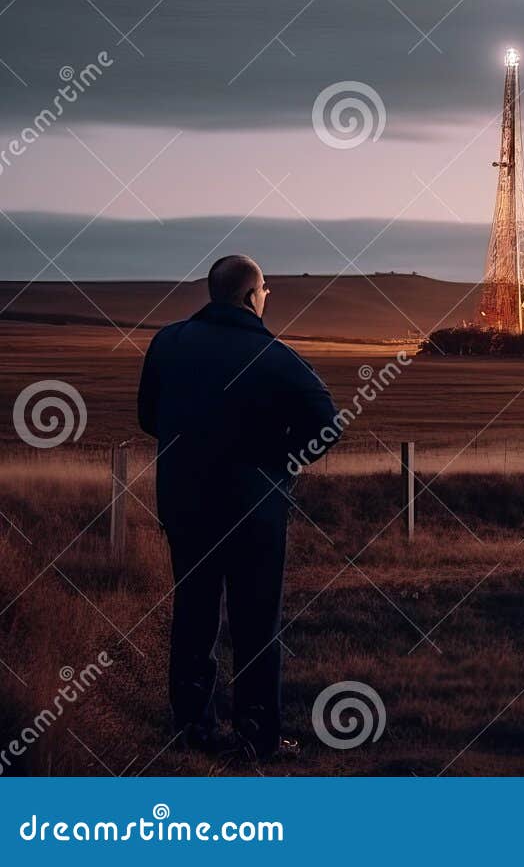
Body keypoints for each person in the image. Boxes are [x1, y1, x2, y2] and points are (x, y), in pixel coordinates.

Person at [137, 255, 339, 759]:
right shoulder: (274, 355)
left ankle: (192, 729)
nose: (266, 297)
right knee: (255, 621)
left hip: (185, 506)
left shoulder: (168, 343)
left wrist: (191, 447)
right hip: (256, 511)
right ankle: (257, 735)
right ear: (252, 296)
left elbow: (148, 416)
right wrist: (283, 461)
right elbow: (328, 421)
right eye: (266, 289)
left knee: (194, 616)